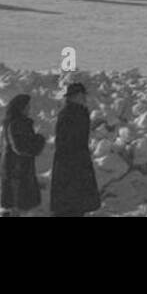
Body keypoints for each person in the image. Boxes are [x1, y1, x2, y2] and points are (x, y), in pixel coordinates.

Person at [50, 83, 101, 216]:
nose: (84, 98)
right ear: (76, 96)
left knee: (75, 205)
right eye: (82, 95)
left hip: (75, 164)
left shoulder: (76, 112)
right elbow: (66, 141)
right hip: (71, 165)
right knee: (71, 205)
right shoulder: (70, 114)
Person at [0, 94, 46, 216]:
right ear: (21, 108)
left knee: (16, 208)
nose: (29, 109)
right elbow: (20, 147)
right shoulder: (17, 123)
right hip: (18, 172)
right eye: (27, 106)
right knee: (19, 207)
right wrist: (39, 141)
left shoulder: (12, 122)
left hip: (14, 170)